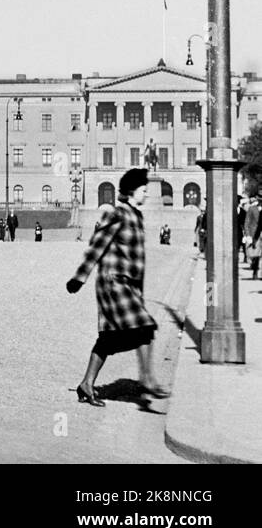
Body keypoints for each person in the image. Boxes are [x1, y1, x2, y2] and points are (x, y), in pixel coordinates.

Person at [67, 168, 168, 407]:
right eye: (144, 190)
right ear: (133, 191)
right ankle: (146, 380)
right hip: (113, 283)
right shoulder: (117, 213)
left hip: (128, 285)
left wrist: (139, 292)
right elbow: (97, 245)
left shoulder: (136, 216)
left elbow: (137, 260)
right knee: (144, 326)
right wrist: (79, 278)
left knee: (109, 339)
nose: (146, 194)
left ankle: (86, 384)